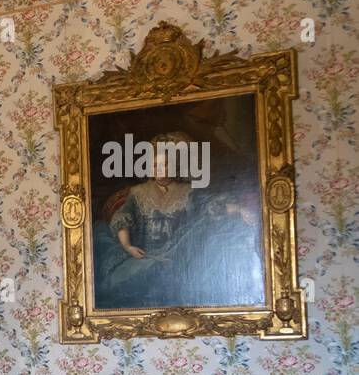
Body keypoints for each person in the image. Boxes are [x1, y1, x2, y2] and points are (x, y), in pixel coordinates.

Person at [94, 131, 263, 310]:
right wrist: (128, 246)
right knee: (116, 278)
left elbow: (209, 205)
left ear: (176, 167)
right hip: (143, 255)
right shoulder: (138, 193)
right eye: (154, 164)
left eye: (164, 165)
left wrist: (240, 209)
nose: (158, 169)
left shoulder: (188, 191)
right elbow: (123, 218)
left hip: (177, 253)